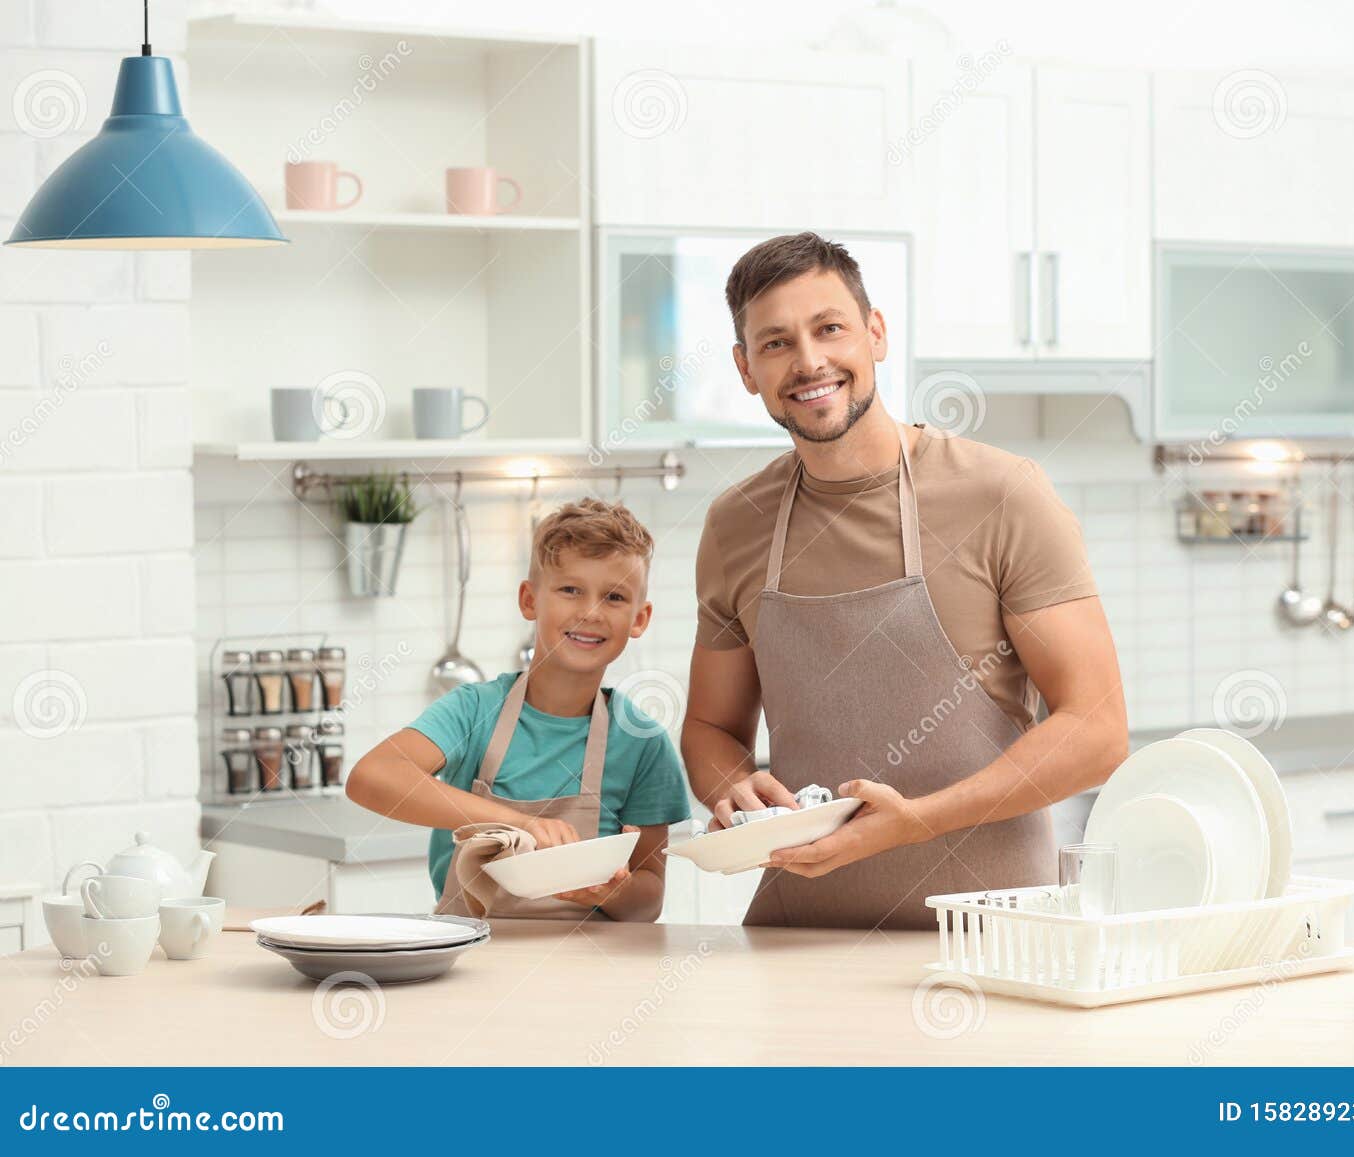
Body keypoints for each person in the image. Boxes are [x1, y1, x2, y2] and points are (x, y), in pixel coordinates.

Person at [682, 232, 1128, 929]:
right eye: (775, 343)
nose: (809, 361)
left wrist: (917, 820)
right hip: (799, 939)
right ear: (746, 368)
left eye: (829, 328)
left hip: (993, 939)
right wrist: (733, 791)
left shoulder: (1001, 494)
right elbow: (711, 726)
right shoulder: (736, 524)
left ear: (876, 334)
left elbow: (1098, 728)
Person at [347, 498, 690, 921]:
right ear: (530, 600)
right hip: (468, 961)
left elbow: (649, 899)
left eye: (615, 596)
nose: (590, 612)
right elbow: (370, 778)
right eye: (570, 590)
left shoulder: (642, 742)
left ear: (640, 619)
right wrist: (519, 824)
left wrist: (609, 892)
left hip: (594, 970)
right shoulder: (473, 711)